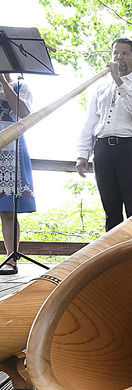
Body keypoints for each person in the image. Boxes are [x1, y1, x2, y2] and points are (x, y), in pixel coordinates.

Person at [76, 37, 132, 232]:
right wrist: (83, 154)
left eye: (124, 53)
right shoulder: (101, 87)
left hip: (131, 149)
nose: (119, 57)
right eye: (115, 53)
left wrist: (119, 81)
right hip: (102, 150)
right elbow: (91, 122)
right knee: (110, 209)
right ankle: (114, 259)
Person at [0, 73, 34, 275]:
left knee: (7, 209)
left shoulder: (21, 86)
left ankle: (11, 258)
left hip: (11, 150)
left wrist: (3, 81)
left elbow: (24, 113)